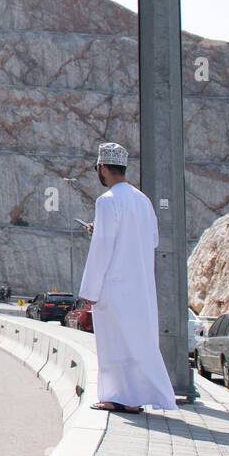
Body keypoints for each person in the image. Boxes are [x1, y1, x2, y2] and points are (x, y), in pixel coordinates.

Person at [77, 142, 176, 413]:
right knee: (136, 343)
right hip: (141, 287)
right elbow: (151, 239)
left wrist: (90, 289)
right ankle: (133, 399)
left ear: (104, 168)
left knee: (113, 343)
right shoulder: (142, 200)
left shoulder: (106, 201)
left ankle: (114, 396)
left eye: (98, 168)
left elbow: (103, 246)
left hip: (114, 285)